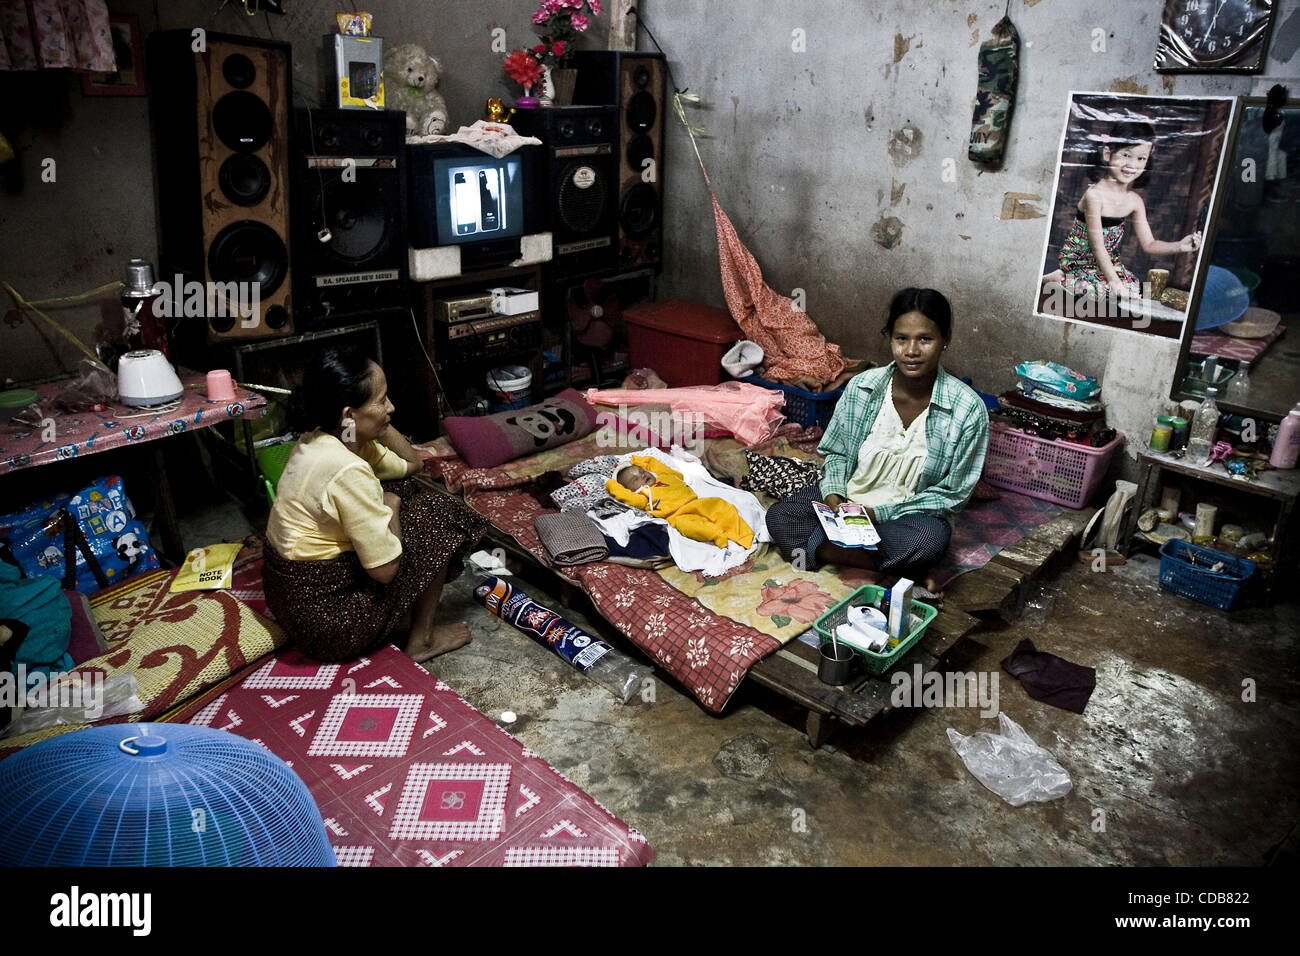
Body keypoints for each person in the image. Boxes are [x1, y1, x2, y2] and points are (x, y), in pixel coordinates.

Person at [262, 347, 487, 663]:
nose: (392, 407)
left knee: (403, 486)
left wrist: (378, 420)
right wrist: (390, 507)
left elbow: (412, 464)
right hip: (328, 624)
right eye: (382, 400)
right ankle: (421, 640)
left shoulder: (322, 437)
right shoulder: (347, 468)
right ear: (348, 414)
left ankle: (400, 616)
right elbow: (385, 571)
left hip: (288, 601)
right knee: (439, 514)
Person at [765, 288, 988, 594]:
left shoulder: (967, 410)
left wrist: (878, 515)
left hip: (907, 517)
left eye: (925, 339)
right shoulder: (862, 388)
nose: (911, 350)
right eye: (901, 339)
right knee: (780, 517)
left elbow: (952, 495)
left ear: (945, 338)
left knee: (929, 540)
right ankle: (900, 568)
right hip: (849, 501)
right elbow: (838, 454)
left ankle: (825, 552)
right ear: (889, 338)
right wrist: (835, 497)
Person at [1050, 119, 1202, 302]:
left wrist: (1179, 246)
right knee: (1103, 291)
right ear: (1108, 154)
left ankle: (1080, 281)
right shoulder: (1095, 196)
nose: (1132, 165)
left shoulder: (1134, 201)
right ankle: (1057, 277)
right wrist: (1114, 282)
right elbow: (1097, 247)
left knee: (1133, 287)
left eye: (1141, 158)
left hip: (1107, 265)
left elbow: (1149, 244)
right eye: (1126, 155)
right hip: (1079, 259)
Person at [607, 458, 754, 549]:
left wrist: (639, 461)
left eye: (641, 471)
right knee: (689, 526)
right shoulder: (642, 496)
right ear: (631, 490)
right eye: (635, 479)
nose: (642, 475)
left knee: (721, 506)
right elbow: (623, 495)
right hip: (677, 516)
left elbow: (661, 467)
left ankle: (744, 536)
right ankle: (716, 535)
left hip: (696, 503)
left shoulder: (666, 477)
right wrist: (612, 484)